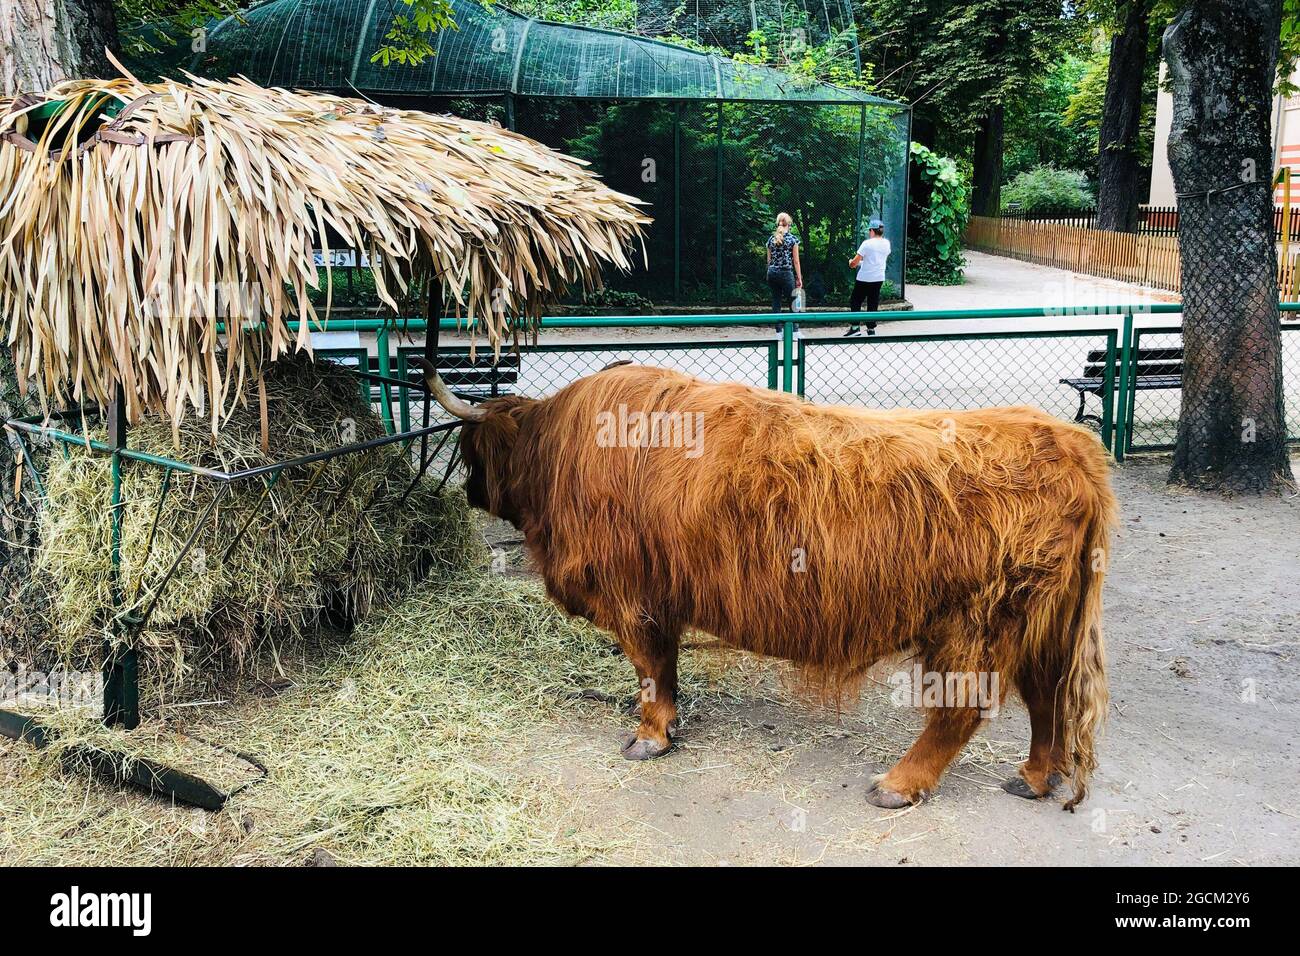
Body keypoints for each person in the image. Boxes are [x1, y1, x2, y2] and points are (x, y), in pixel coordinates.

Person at [846, 218, 891, 336]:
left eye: (869, 230)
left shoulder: (867, 244)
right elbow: (875, 260)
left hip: (865, 278)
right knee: (873, 302)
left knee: (856, 300)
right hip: (879, 277)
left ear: (872, 230)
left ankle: (855, 328)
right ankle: (871, 329)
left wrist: (851, 263)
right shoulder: (886, 243)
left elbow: (855, 263)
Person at [766, 212, 802, 328]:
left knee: (776, 301)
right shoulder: (793, 239)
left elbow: (769, 260)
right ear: (789, 224)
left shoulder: (771, 239)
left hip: (772, 273)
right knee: (793, 301)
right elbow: (796, 261)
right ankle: (795, 331)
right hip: (786, 273)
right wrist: (799, 278)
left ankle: (778, 332)